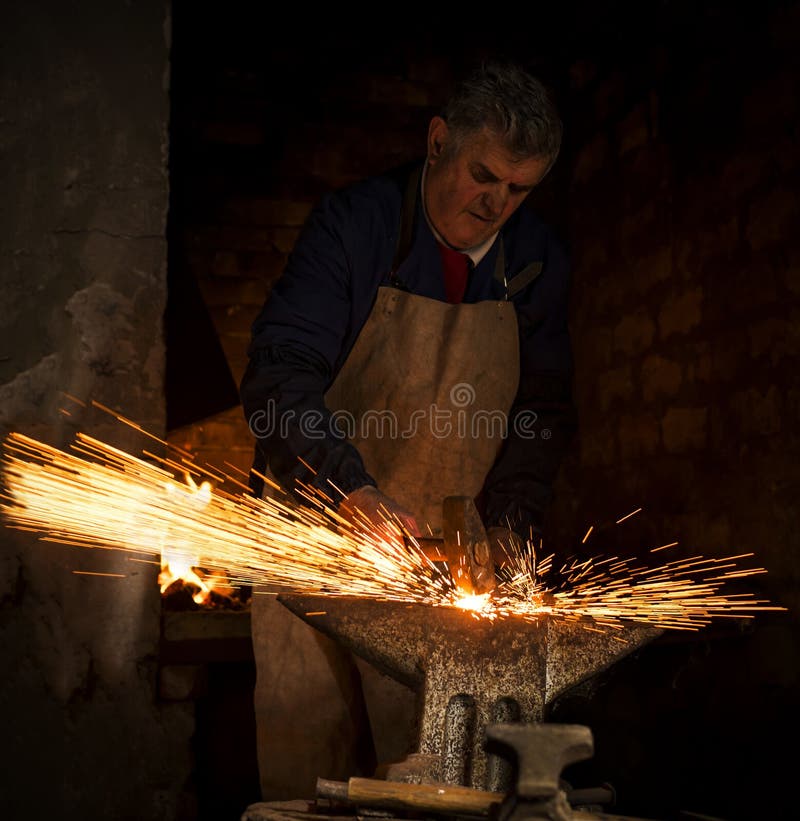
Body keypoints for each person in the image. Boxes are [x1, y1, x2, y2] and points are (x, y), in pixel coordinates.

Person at [240, 62, 576, 800]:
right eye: (483, 176)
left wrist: (512, 529)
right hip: (318, 535)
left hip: (445, 562)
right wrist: (347, 488)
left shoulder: (537, 261)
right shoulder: (354, 227)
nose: (496, 205)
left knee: (435, 783)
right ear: (437, 142)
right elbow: (277, 375)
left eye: (519, 190)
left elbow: (541, 413)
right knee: (313, 775)